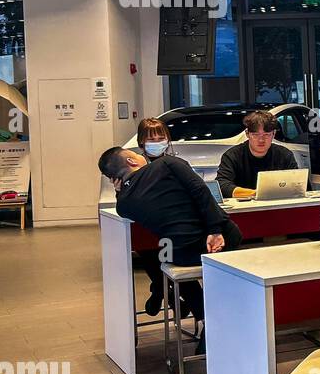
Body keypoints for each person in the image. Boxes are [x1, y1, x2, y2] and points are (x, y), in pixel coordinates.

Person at [97, 146, 242, 339]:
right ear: (131, 162)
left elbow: (125, 203)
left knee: (164, 257)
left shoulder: (124, 204)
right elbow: (201, 191)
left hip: (183, 254)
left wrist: (120, 190)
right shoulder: (167, 163)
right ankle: (224, 315)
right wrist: (214, 231)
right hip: (223, 239)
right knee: (221, 263)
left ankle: (203, 316)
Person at [133, 116, 173, 314]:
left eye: (161, 138)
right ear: (141, 142)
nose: (157, 143)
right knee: (149, 252)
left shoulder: (176, 163)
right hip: (145, 228)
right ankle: (166, 294)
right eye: (152, 139)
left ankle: (159, 291)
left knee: (169, 255)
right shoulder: (134, 166)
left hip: (172, 229)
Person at [216, 109, 298, 199]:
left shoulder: (285, 155)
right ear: (247, 134)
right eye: (255, 135)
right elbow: (222, 185)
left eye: (266, 134)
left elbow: (298, 184)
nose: (261, 140)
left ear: (274, 134)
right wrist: (257, 193)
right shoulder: (232, 156)